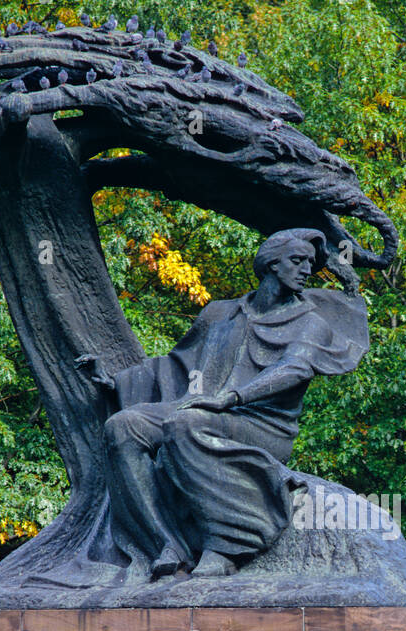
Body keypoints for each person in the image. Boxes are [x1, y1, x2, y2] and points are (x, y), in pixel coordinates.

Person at [87, 228, 368, 579]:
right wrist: (115, 383)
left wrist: (231, 398)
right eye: (297, 261)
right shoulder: (219, 314)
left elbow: (293, 369)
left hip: (262, 423)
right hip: (200, 406)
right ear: (270, 264)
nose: (307, 270)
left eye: (310, 263)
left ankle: (224, 545)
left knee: (184, 425)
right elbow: (176, 365)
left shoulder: (310, 322)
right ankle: (165, 544)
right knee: (123, 427)